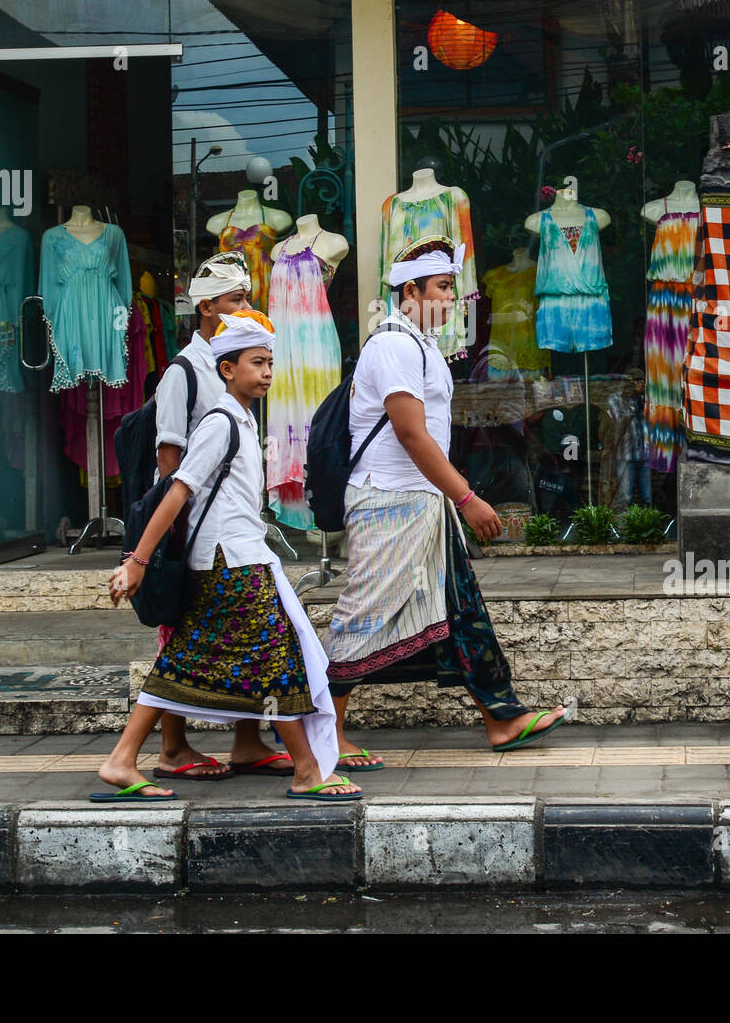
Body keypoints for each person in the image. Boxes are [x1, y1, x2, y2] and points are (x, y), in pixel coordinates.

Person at [325, 235, 569, 769]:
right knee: (364, 614)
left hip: (421, 502)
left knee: (462, 609)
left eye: (453, 288)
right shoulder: (392, 344)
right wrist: (467, 497)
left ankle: (502, 716)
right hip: (388, 501)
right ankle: (325, 731)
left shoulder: (422, 344)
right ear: (408, 290)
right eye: (441, 287)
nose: (452, 298)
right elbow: (412, 435)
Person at [100, 310, 359, 802]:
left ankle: (122, 758)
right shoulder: (222, 422)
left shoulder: (236, 418)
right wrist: (136, 560)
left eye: (269, 363)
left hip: (234, 558)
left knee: (182, 662)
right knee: (278, 659)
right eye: (256, 363)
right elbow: (178, 490)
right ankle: (307, 771)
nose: (266, 373)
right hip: (231, 564)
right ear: (226, 369)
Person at [149, 254, 293, 782]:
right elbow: (172, 464)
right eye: (236, 301)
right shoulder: (184, 374)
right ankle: (170, 747)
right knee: (180, 640)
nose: (246, 308)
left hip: (231, 531)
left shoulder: (241, 360)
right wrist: (165, 546)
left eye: (248, 299)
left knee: (233, 642)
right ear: (207, 307)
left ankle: (248, 740)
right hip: (194, 534)